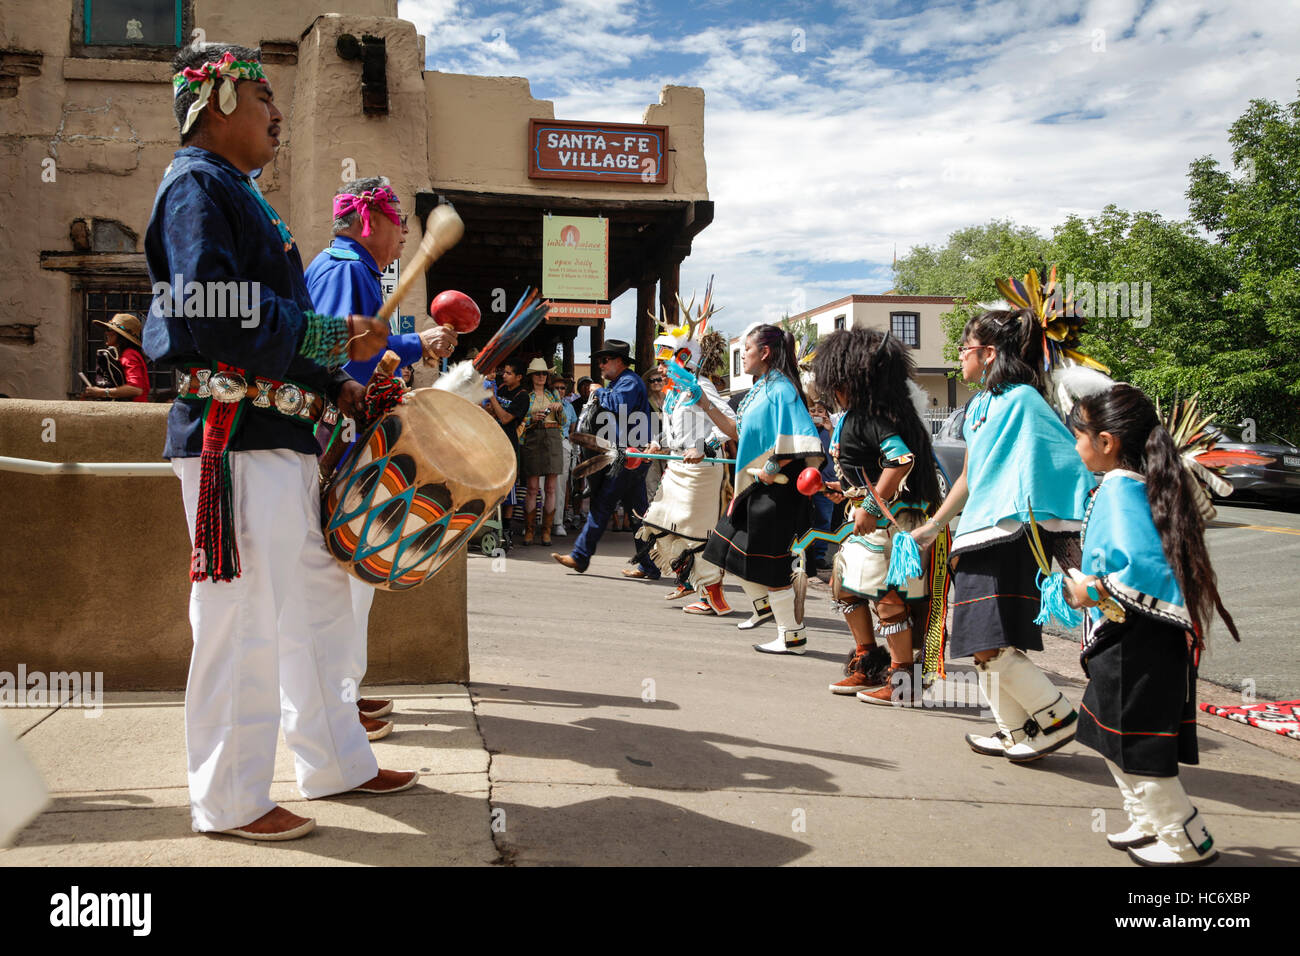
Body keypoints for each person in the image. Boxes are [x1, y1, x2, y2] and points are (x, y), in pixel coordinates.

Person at [142, 43, 417, 842]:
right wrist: (335, 332)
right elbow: (215, 314)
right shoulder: (196, 185)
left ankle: (336, 760)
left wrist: (336, 383)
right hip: (233, 442)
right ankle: (228, 798)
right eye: (264, 94)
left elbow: (273, 328)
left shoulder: (240, 193)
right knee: (243, 618)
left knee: (319, 608)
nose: (277, 112)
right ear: (219, 100)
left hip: (280, 437)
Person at [304, 176, 458, 739]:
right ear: (369, 220)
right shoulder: (346, 270)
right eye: (399, 222)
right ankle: (334, 704)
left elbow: (367, 343)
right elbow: (337, 352)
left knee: (351, 575)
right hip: (335, 435)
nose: (404, 238)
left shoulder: (352, 270)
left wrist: (414, 344)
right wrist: (404, 351)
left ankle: (343, 693)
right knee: (347, 570)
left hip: (338, 431)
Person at [1063, 384, 1240, 866]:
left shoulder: (1122, 489)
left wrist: (1087, 590)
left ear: (1106, 442)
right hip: (1132, 640)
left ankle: (1188, 841)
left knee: (1138, 746)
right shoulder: (1132, 485)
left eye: (1078, 435)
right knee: (1111, 735)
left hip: (1138, 642)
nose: (1074, 445)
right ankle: (1146, 821)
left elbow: (1139, 571)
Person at [910, 309, 1095, 760]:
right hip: (978, 533)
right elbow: (971, 478)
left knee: (989, 640)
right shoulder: (979, 406)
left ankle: (1054, 718)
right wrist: (935, 526)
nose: (960, 357)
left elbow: (1066, 460)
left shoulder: (1024, 401)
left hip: (1010, 536)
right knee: (979, 642)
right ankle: (1017, 731)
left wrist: (1044, 520)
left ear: (989, 354)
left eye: (965, 349)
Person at [811, 329, 943, 701]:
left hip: (890, 527)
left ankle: (903, 681)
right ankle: (868, 663)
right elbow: (872, 470)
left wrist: (870, 506)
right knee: (846, 589)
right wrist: (847, 493)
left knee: (887, 598)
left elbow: (900, 460)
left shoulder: (872, 417)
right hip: (874, 524)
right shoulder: (862, 415)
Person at [686, 324, 824, 653]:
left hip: (778, 490)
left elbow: (800, 438)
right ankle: (765, 608)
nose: (742, 357)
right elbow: (736, 430)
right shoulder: (760, 388)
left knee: (770, 562)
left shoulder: (782, 389)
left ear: (764, 353)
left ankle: (791, 635)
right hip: (754, 486)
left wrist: (772, 468)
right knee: (722, 546)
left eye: (746, 350)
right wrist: (704, 402)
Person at [636, 322, 735, 613]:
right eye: (661, 364)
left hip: (702, 471)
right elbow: (675, 433)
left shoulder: (701, 387)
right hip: (678, 468)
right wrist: (657, 444)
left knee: (696, 533)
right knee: (660, 522)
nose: (662, 369)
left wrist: (705, 447)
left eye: (667, 362)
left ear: (684, 360)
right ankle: (689, 578)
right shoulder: (675, 393)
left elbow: (732, 425)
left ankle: (714, 598)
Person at [552, 339, 656, 576]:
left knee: (603, 504)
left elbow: (619, 405)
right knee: (638, 514)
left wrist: (599, 392)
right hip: (630, 456)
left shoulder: (629, 382)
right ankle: (650, 564)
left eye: (605, 360)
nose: (601, 365)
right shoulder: (625, 382)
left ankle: (580, 556)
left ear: (619, 361)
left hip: (627, 456)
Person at [518, 357, 565, 546]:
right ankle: (529, 530)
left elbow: (564, 422)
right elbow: (520, 422)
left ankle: (546, 532)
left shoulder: (554, 395)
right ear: (531, 376)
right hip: (533, 438)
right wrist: (531, 419)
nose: (542, 376)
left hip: (553, 436)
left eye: (544, 373)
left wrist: (559, 409)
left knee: (551, 488)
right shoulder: (526, 396)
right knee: (532, 488)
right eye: (538, 373)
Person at [484, 358, 529, 533]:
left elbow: (505, 418)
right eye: (504, 372)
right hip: (493, 441)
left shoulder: (522, 396)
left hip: (508, 445)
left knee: (508, 489)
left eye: (509, 373)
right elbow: (489, 409)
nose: (504, 375)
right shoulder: (502, 388)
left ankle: (507, 527)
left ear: (518, 377)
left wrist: (493, 399)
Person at [82, 313, 151, 402]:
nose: (106, 332)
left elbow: (136, 389)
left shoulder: (129, 355)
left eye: (110, 329)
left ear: (121, 335)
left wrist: (102, 392)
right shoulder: (127, 354)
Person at [553, 375, 577, 537]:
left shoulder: (569, 407)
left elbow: (572, 430)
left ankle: (557, 522)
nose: (560, 391)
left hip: (563, 443)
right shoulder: (539, 401)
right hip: (544, 442)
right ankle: (538, 522)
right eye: (557, 387)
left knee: (561, 485)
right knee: (540, 486)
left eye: (563, 388)